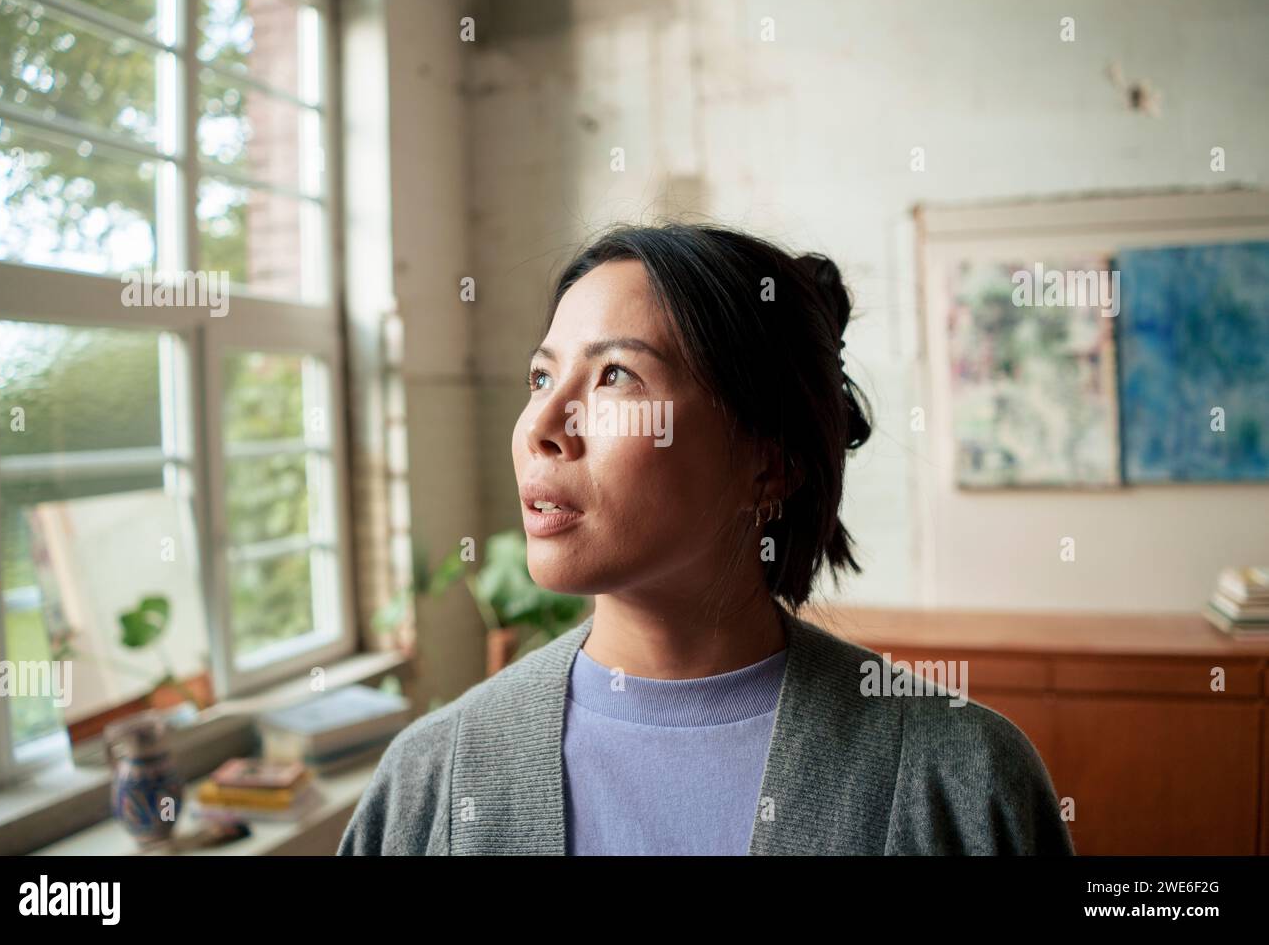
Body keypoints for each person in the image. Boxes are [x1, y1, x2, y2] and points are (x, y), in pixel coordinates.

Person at [338, 222, 1074, 855]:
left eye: (615, 376)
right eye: (540, 378)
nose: (540, 428)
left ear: (771, 461)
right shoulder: (431, 783)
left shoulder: (963, 780)